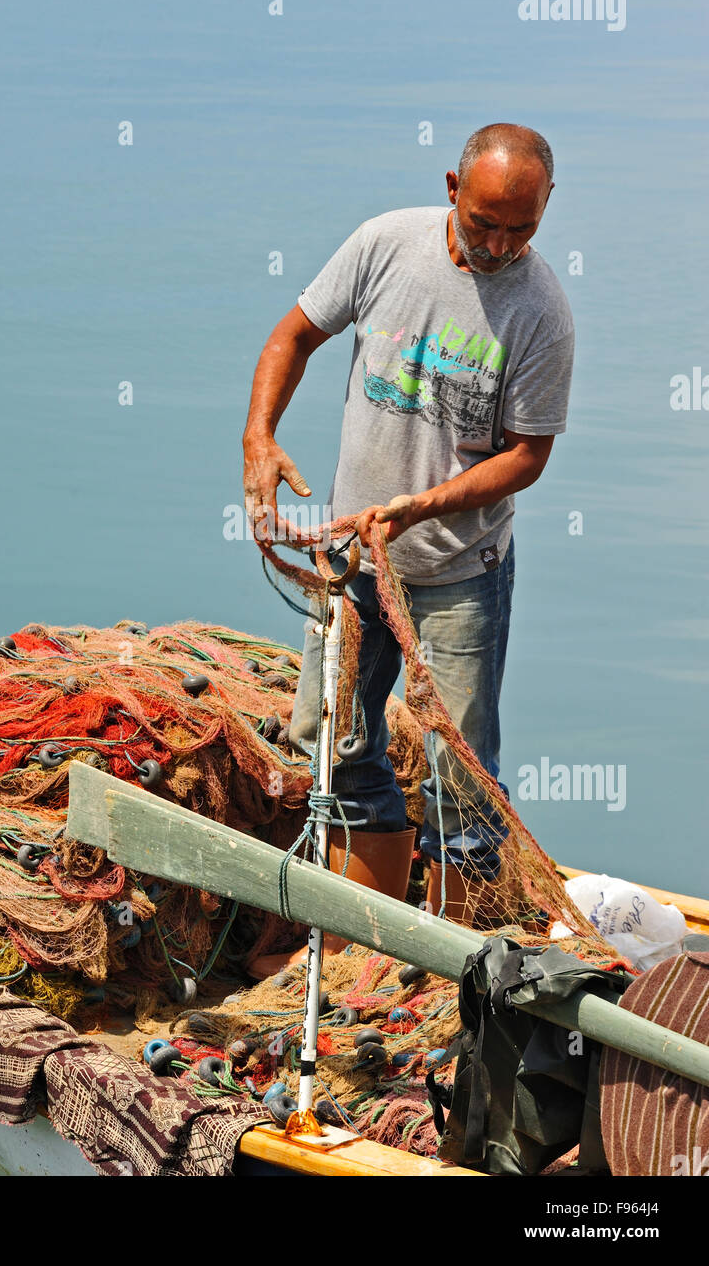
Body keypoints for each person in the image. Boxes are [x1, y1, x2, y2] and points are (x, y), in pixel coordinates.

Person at [242, 123, 575, 965]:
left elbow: (527, 456)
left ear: (544, 213)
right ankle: (372, 949)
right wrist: (261, 436)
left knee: (464, 787)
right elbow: (292, 336)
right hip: (356, 565)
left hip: (461, 573)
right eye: (485, 223)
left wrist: (425, 504)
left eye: (522, 229)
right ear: (453, 187)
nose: (500, 245)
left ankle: (458, 972)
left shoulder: (543, 314)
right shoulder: (384, 245)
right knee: (338, 749)